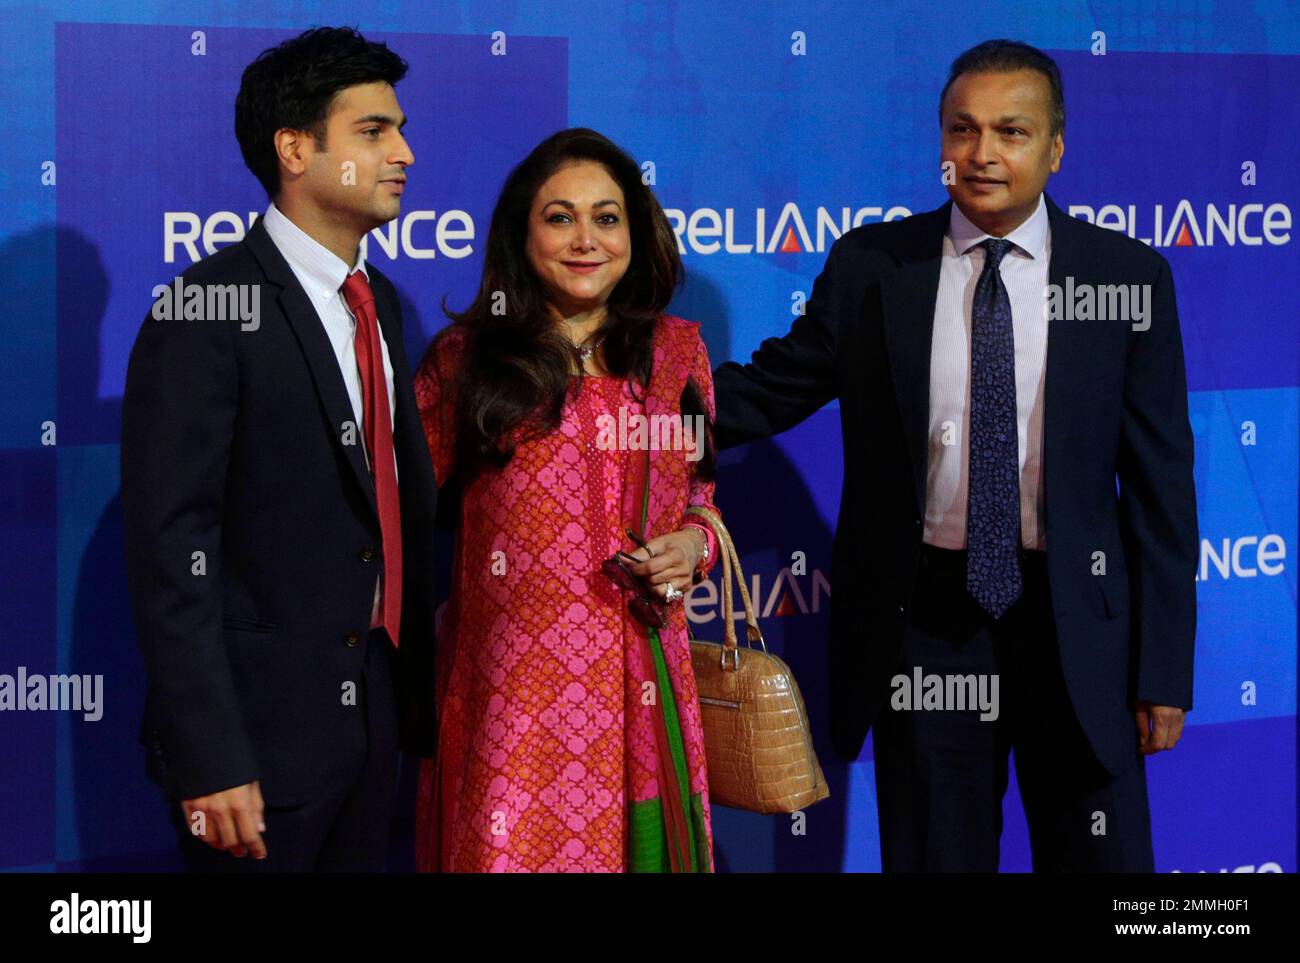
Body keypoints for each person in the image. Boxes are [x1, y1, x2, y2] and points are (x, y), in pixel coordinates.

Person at [711, 39, 1197, 872]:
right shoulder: (875, 266)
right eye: (962, 130)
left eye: (1011, 131)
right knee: (937, 854)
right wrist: (627, 411)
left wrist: (1164, 668)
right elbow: (772, 388)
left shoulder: (1127, 277)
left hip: (1076, 630)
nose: (982, 154)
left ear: (1055, 147)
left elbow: (1160, 489)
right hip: (925, 625)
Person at [121, 27, 438, 872]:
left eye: (400, 128)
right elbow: (170, 554)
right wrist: (211, 754)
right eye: (373, 131)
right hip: (255, 756)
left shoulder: (384, 306)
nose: (403, 151)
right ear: (296, 148)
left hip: (375, 729)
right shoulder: (206, 309)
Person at [413, 128, 721, 872]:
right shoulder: (467, 359)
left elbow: (701, 498)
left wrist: (693, 545)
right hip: (511, 700)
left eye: (606, 217)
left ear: (635, 232)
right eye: (560, 217)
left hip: (643, 683)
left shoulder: (676, 352)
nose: (586, 239)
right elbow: (395, 506)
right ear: (523, 234)